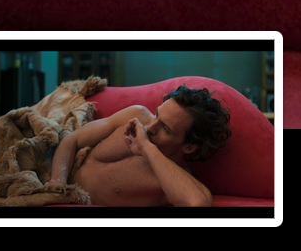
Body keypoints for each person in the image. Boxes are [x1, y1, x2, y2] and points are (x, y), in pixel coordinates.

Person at [50, 88, 228, 206]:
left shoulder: (172, 180)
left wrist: (147, 148)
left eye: (165, 128)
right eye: (157, 114)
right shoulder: (138, 115)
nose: (150, 127)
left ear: (188, 147)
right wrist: (57, 184)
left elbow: (198, 203)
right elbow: (72, 139)